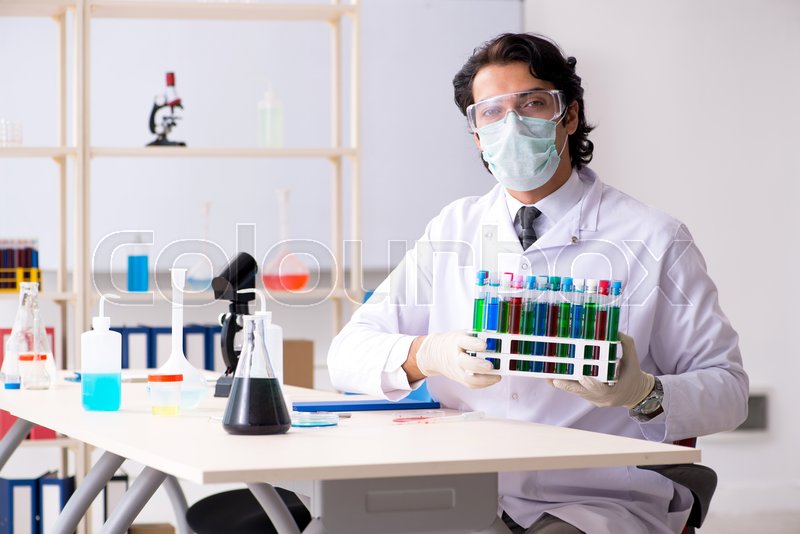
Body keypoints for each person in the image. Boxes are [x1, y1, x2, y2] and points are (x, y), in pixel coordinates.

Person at [328, 33, 748, 534]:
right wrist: (427, 353)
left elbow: (729, 391)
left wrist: (642, 392)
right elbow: (346, 355)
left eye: (531, 104)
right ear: (477, 135)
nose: (511, 124)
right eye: (491, 112)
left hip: (595, 496)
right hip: (462, 487)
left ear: (568, 116)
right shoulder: (453, 228)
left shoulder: (654, 237)